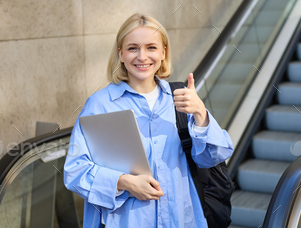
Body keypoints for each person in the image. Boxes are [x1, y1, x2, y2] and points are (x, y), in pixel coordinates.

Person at [64, 13, 234, 228]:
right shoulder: (99, 104)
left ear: (163, 52)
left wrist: (201, 113)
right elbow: (74, 170)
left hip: (183, 220)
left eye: (151, 47)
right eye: (133, 48)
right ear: (121, 54)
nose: (142, 57)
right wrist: (123, 182)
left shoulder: (182, 98)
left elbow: (211, 158)